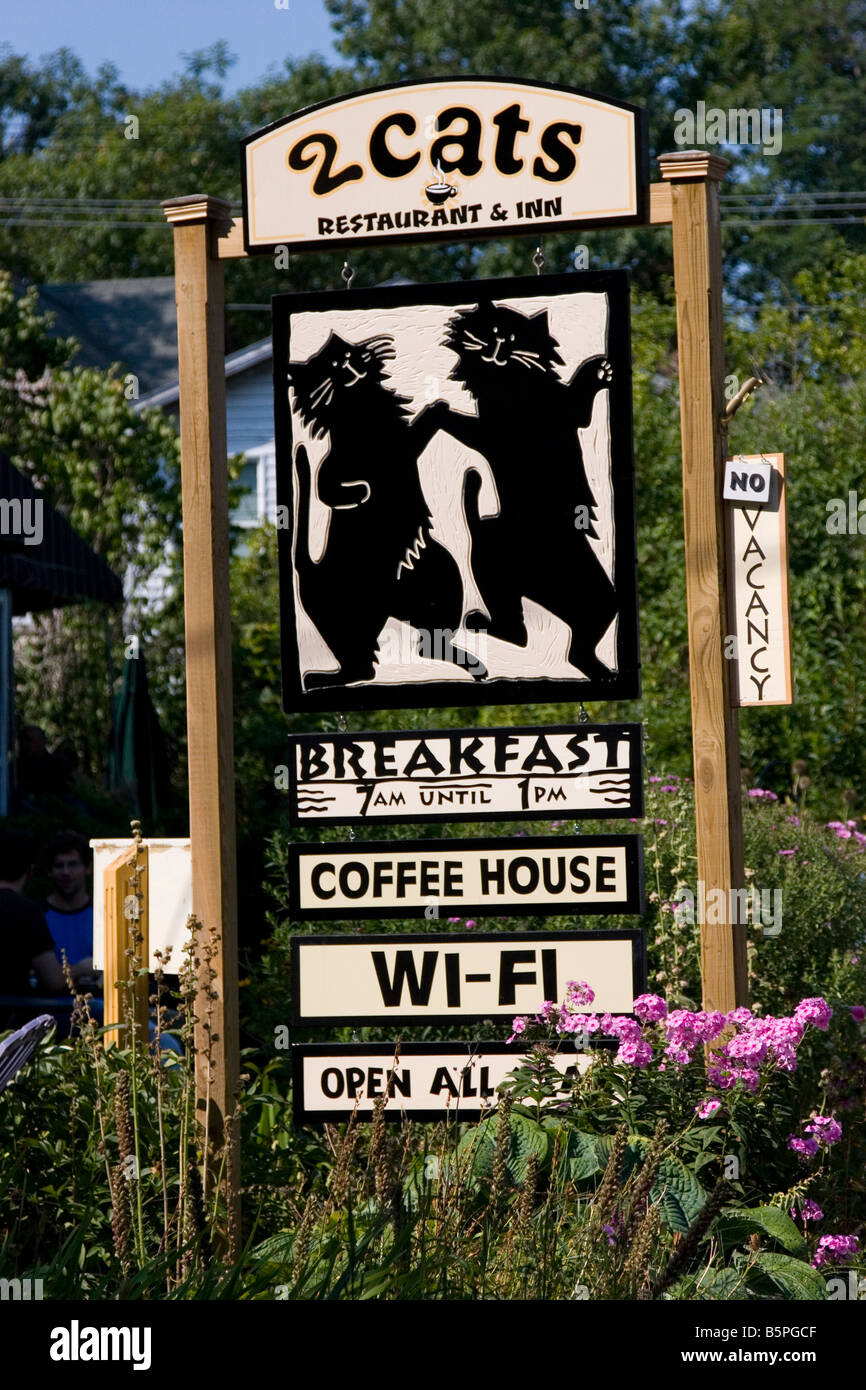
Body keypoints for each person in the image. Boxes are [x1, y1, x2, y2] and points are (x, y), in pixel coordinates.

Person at [0, 827, 66, 998]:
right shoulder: (26, 911)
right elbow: (53, 980)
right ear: (30, 870)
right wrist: (81, 968)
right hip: (10, 1017)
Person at [43, 830, 99, 991]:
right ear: (50, 870)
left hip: (97, 1006)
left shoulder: (103, 913)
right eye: (59, 865)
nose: (66, 872)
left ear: (88, 868)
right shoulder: (36, 915)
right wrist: (79, 970)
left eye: (73, 864)